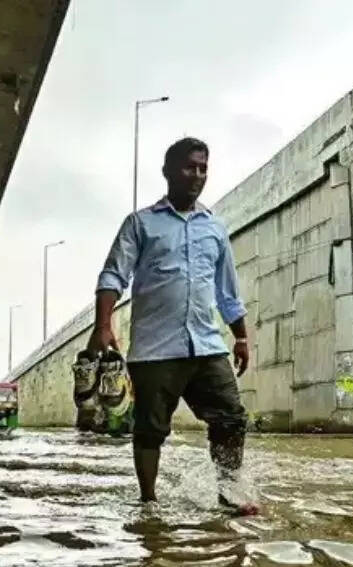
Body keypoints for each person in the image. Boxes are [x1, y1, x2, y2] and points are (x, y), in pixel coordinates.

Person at [88, 137, 253, 511]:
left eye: (203, 168)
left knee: (231, 419)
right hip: (155, 350)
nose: (197, 175)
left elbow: (227, 291)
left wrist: (241, 336)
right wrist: (103, 324)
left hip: (207, 347)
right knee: (150, 431)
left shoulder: (215, 228)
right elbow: (114, 275)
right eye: (189, 167)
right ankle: (148, 504)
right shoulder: (140, 224)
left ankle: (229, 493)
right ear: (168, 172)